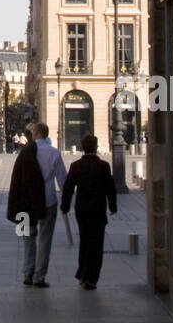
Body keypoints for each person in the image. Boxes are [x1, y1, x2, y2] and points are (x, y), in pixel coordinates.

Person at [61, 133, 117, 290]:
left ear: (82, 147)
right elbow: (110, 188)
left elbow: (68, 188)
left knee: (84, 241)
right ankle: (91, 278)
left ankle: (82, 274)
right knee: (97, 244)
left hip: (82, 210)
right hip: (98, 210)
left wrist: (65, 206)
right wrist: (113, 206)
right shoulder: (103, 166)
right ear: (96, 146)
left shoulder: (76, 166)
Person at [19, 123, 67, 287]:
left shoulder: (25, 152)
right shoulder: (54, 153)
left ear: (37, 133)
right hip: (48, 201)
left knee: (27, 237)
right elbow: (62, 179)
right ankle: (39, 277)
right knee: (45, 238)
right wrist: (66, 201)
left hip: (26, 203)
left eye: (33, 131)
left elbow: (18, 179)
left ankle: (27, 273)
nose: (31, 133)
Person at [7, 134, 46, 273]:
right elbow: (34, 188)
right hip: (29, 207)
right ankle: (32, 272)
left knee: (26, 237)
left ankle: (28, 272)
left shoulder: (23, 158)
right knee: (33, 237)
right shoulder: (31, 162)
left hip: (21, 207)